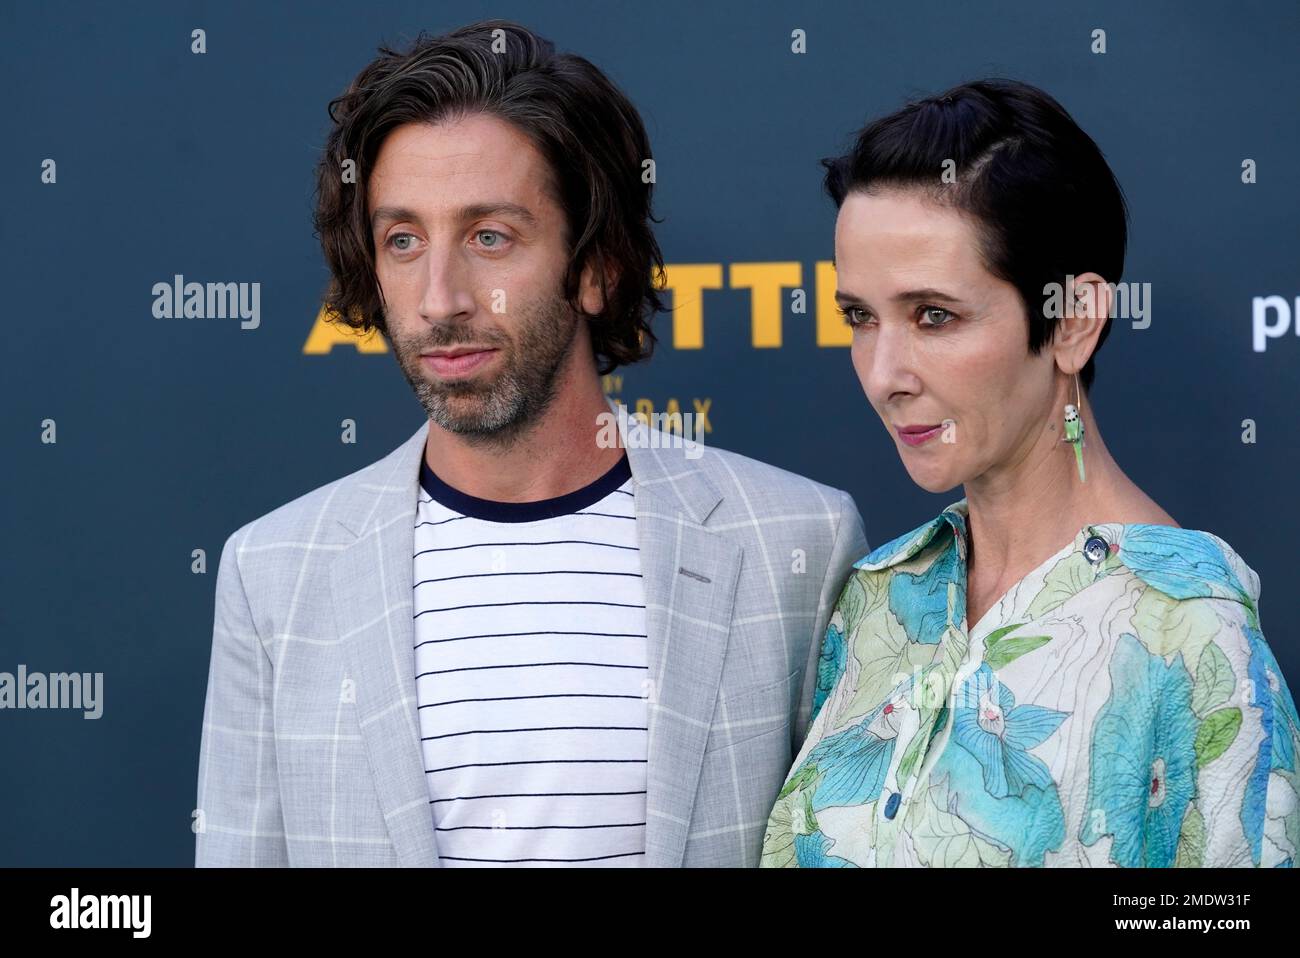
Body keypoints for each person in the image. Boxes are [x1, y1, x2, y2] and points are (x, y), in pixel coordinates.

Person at [195, 20, 868, 868]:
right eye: (403, 240)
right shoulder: (275, 574)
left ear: (596, 268)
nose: (440, 298)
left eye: (489, 237)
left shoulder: (792, 543)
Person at [761, 79, 1300, 868]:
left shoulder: (1187, 623)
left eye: (933, 316)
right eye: (860, 317)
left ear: (1073, 319)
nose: (883, 374)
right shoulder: (880, 595)